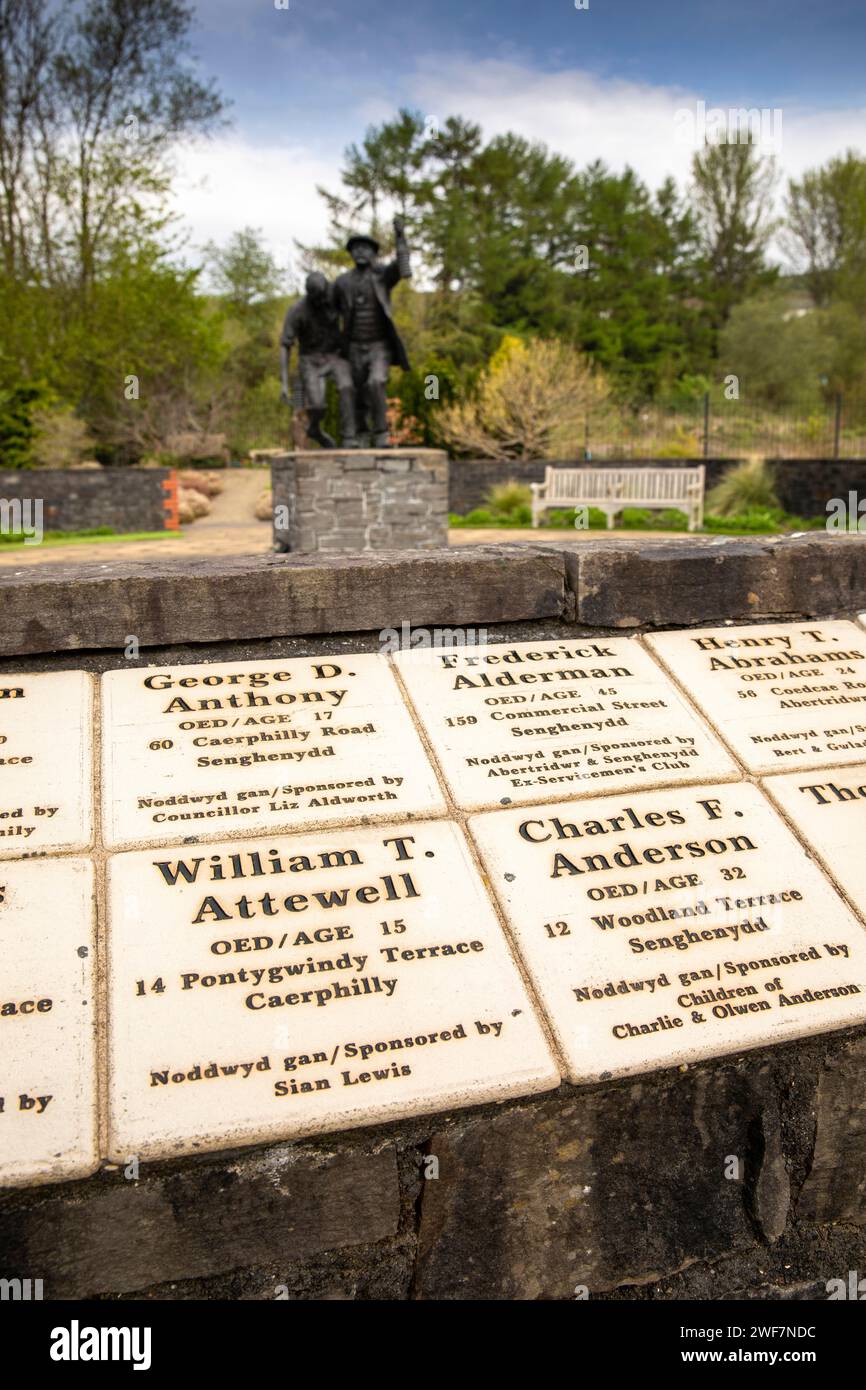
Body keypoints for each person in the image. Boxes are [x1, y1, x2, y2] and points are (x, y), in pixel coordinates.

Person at [333, 216, 411, 448]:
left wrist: (400, 236)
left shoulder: (382, 277)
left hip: (379, 345)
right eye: (356, 248)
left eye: (365, 248)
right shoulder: (342, 282)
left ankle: (381, 433)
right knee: (354, 392)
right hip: (353, 346)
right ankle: (357, 433)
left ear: (374, 252)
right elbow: (329, 313)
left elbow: (402, 264)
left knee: (376, 383)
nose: (360, 252)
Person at [279, 272, 354, 448]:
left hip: (334, 355)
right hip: (310, 360)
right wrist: (284, 383)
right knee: (317, 406)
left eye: (324, 296)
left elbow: (352, 318)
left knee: (347, 387)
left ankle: (350, 437)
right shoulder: (297, 311)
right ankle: (315, 430)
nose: (323, 301)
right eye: (318, 299)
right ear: (310, 296)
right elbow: (285, 345)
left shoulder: (334, 299)